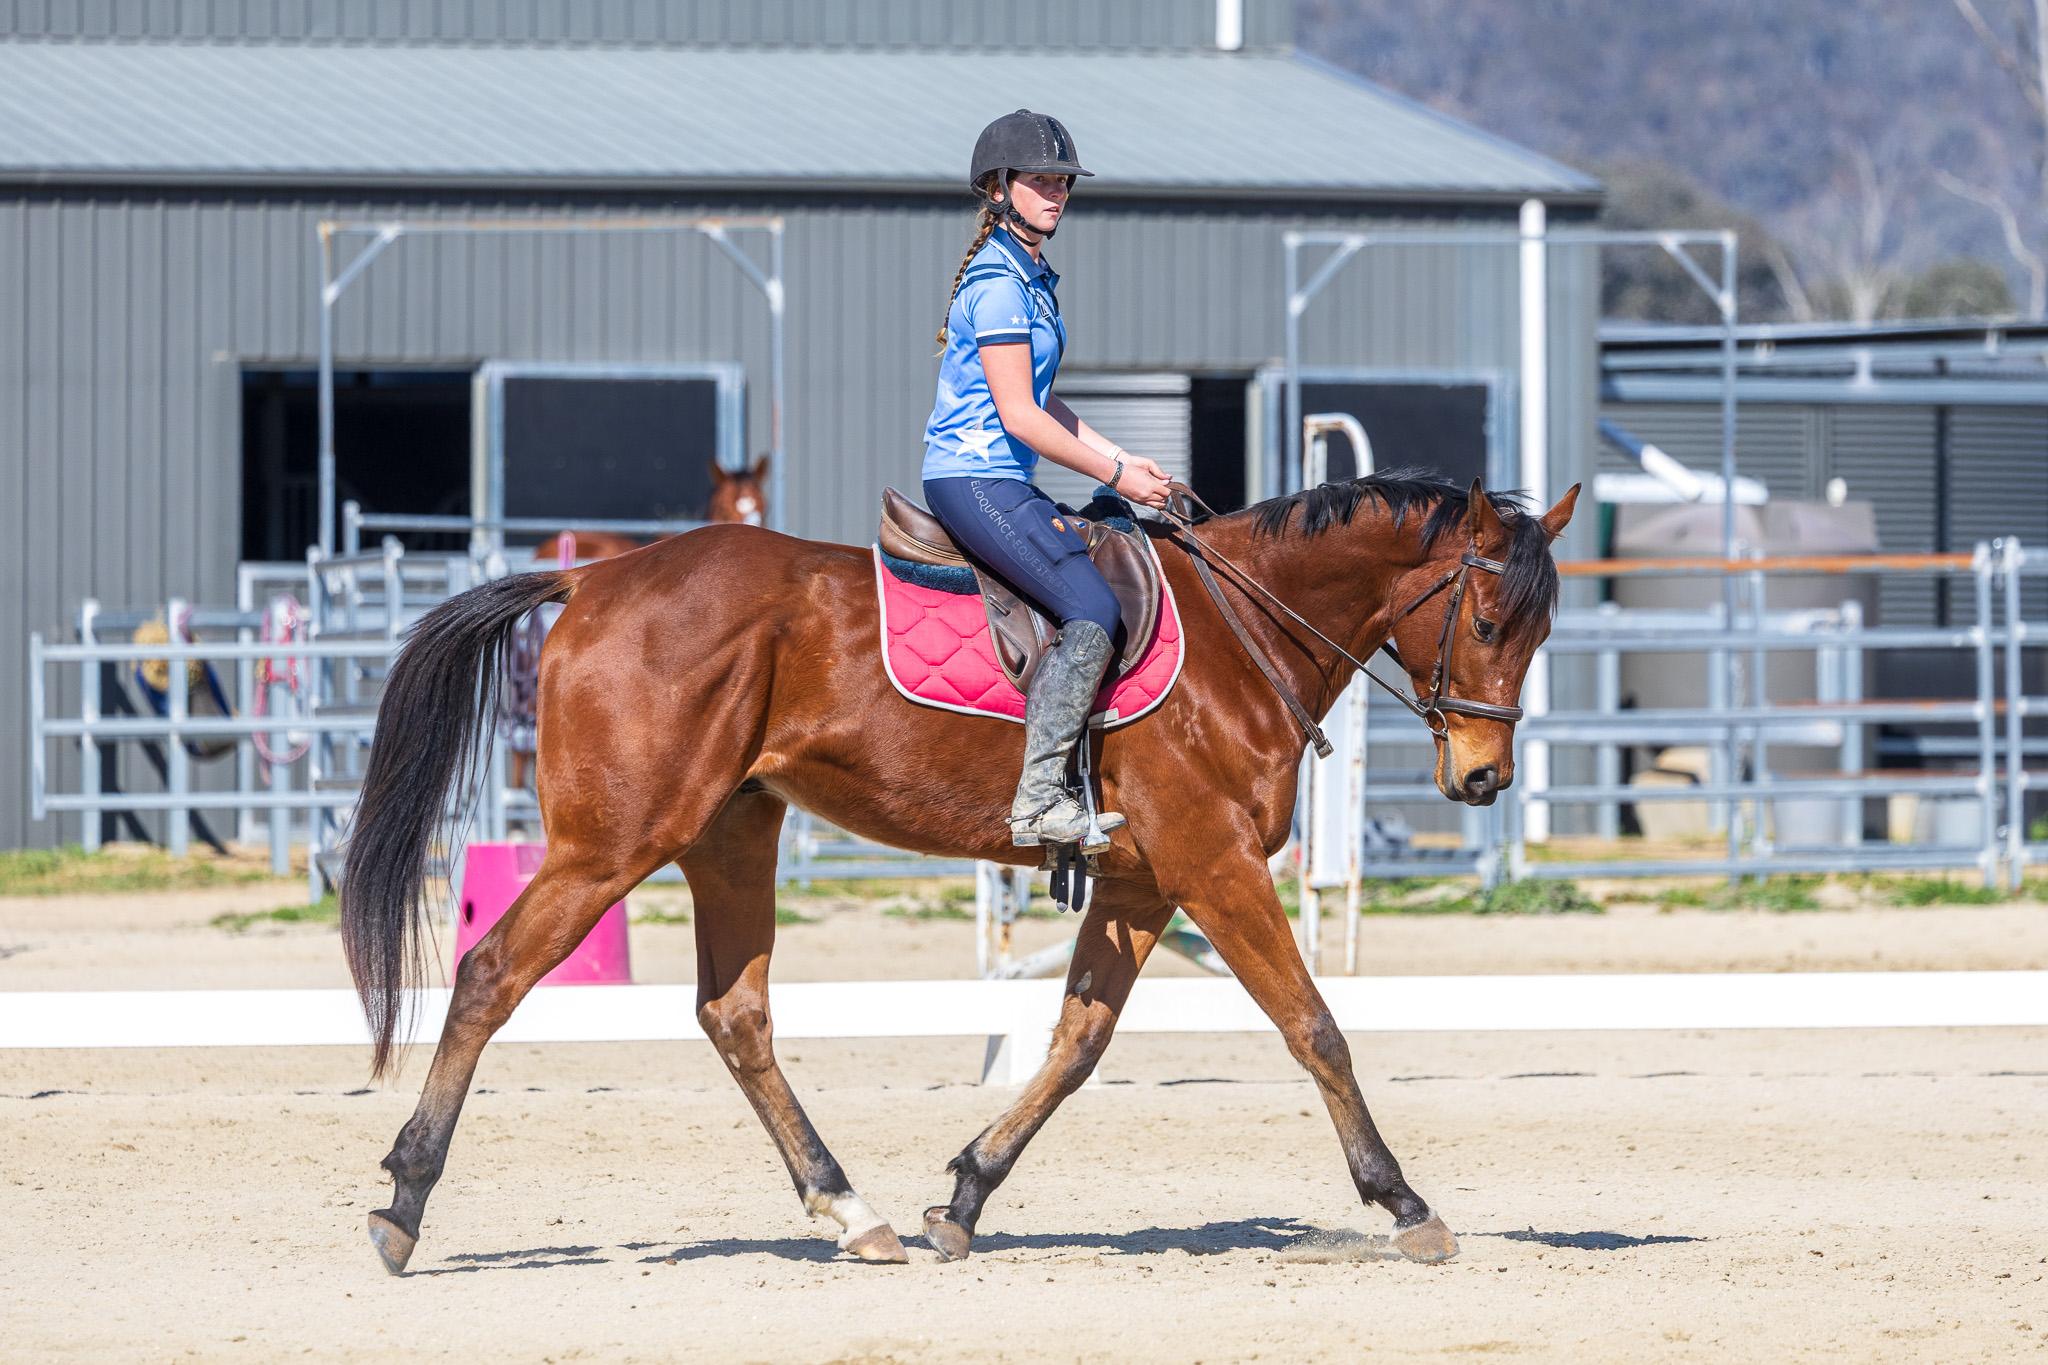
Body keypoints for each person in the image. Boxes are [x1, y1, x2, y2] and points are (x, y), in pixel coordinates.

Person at [922, 109, 1173, 849]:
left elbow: (1045, 402)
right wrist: (1116, 473)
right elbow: (1021, 419)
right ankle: (1036, 802)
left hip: (999, 476)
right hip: (976, 478)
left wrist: (1124, 461)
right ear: (999, 188)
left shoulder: (1029, 278)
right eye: (1041, 180)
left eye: (1063, 181)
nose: (1057, 192)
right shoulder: (1000, 288)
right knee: (1093, 610)